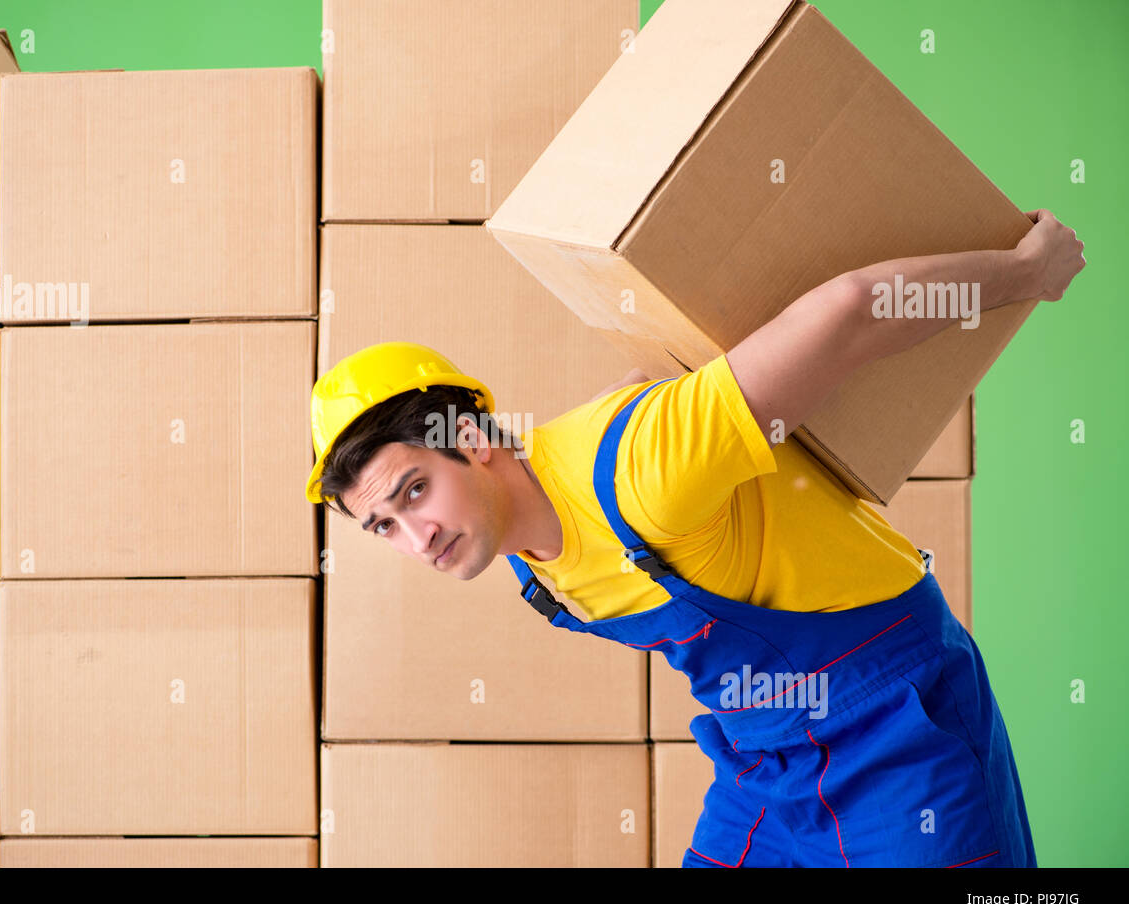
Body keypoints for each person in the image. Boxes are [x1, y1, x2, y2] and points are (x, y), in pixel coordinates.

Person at [304, 209, 1085, 867]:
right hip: (763, 757)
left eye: (414, 491)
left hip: (892, 720)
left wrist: (1026, 267)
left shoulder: (644, 464)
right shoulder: (530, 560)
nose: (418, 536)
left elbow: (848, 312)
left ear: (472, 437)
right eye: (384, 525)